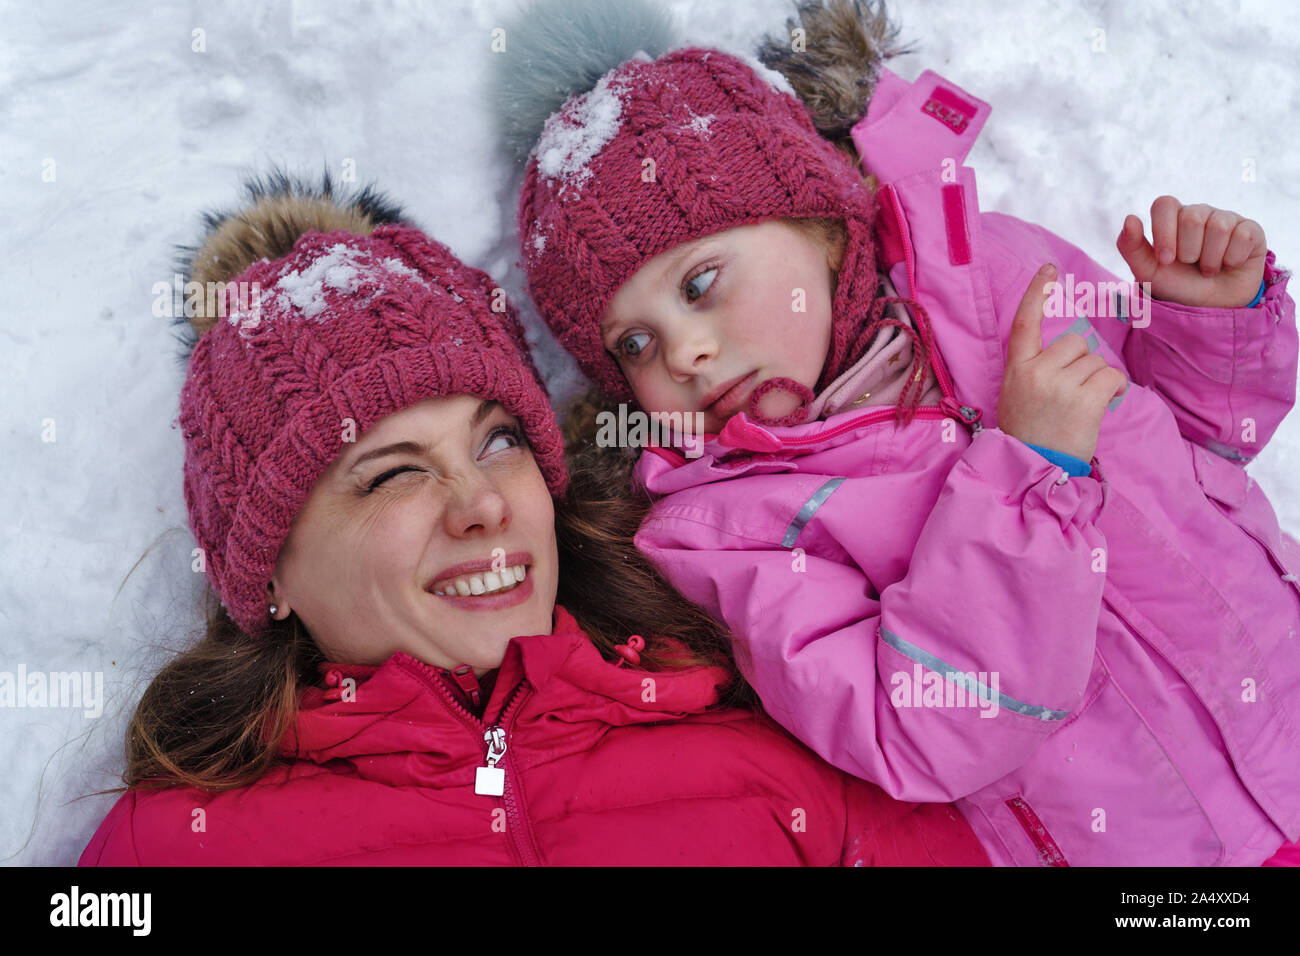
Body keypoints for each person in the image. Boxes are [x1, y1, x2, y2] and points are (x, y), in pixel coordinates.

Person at [499, 0, 1300, 865]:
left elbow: (1207, 444)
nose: (687, 352)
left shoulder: (998, 274)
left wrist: (1211, 323)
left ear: (819, 228)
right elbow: (920, 731)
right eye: (636, 344)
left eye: (699, 285)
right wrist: (1030, 478)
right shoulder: (732, 535)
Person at [77, 174, 989, 866]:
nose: (482, 506)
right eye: (393, 475)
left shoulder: (787, 756)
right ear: (264, 568)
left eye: (500, 442)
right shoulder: (170, 845)